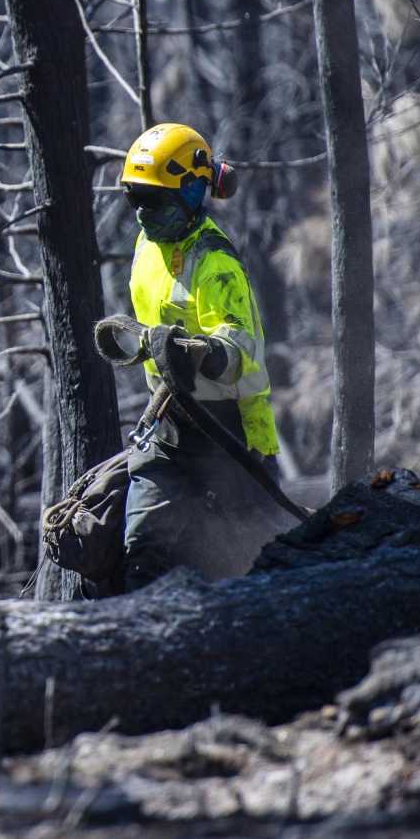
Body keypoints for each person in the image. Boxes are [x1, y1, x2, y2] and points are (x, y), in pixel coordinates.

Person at [93, 123, 292, 591]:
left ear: (194, 189)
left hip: (232, 437)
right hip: (168, 428)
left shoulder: (214, 261)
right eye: (136, 198)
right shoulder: (148, 246)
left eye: (156, 199)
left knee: (254, 569)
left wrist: (198, 352)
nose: (144, 212)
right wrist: (143, 343)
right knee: (141, 557)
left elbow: (240, 352)